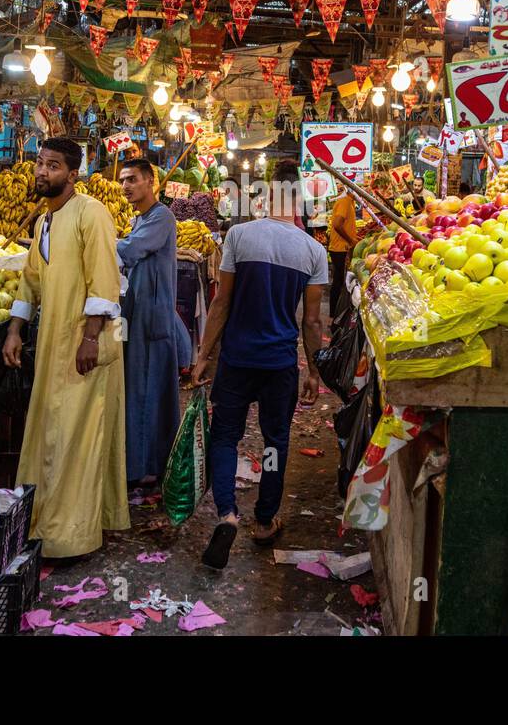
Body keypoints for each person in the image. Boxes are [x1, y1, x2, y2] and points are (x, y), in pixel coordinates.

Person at [192, 158, 328, 569]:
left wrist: (202, 356)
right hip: (280, 363)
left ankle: (228, 513)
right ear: (298, 198)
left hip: (236, 359)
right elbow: (312, 320)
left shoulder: (239, 235)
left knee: (225, 437)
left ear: (269, 194)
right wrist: (313, 369)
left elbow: (221, 302)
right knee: (274, 441)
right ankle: (265, 519)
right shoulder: (313, 250)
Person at [2, 137, 129, 559]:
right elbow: (31, 282)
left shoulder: (91, 214)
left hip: (84, 345)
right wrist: (15, 330)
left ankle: (72, 536)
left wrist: (90, 337)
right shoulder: (43, 223)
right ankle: (44, 522)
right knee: (50, 433)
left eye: (53, 166)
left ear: (73, 175)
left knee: (77, 438)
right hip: (53, 345)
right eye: (40, 163)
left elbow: (104, 281)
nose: (42, 172)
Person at [116, 157, 192, 485]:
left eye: (132, 179)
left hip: (152, 320)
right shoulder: (140, 219)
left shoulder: (162, 217)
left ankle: (144, 470)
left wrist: (91, 242)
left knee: (147, 393)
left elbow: (132, 250)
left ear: (151, 181)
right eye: (122, 181)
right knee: (143, 392)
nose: (126, 187)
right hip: (140, 317)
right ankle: (147, 464)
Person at [327, 191, 359, 319]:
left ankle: (336, 314)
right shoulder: (344, 202)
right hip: (340, 248)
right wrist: (350, 240)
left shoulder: (349, 202)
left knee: (340, 281)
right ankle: (333, 315)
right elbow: (337, 224)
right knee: (339, 282)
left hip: (342, 247)